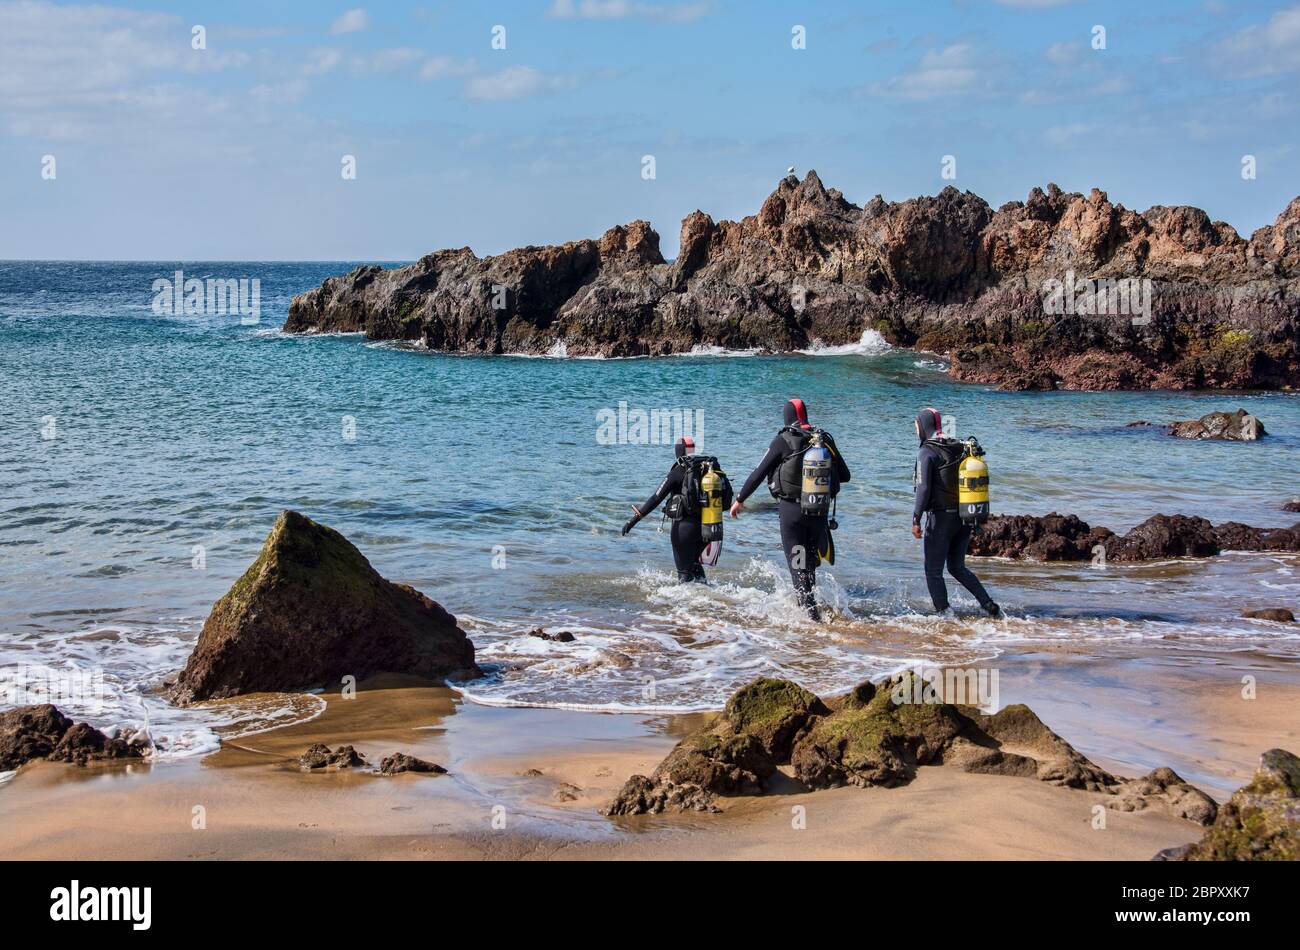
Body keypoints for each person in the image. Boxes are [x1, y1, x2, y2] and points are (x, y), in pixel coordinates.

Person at [729, 399, 849, 620]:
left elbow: (758, 473)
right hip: (819, 513)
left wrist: (739, 499)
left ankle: (811, 624)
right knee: (809, 567)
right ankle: (814, 612)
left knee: (798, 569)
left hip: (792, 514)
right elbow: (845, 476)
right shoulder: (822, 440)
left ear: (786, 416)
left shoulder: (783, 440)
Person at [912, 408, 1000, 617]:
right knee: (956, 567)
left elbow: (923, 488)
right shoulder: (959, 446)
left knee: (933, 571)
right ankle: (988, 604)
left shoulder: (927, 451)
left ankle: (945, 617)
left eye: (916, 426)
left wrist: (916, 518)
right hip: (964, 516)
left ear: (924, 426)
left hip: (940, 519)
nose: (916, 430)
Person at [622, 437, 708, 583]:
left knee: (684, 574)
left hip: (684, 529)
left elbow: (656, 498)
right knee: (694, 564)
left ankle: (687, 604)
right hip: (708, 528)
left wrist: (633, 520)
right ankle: (708, 599)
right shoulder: (707, 469)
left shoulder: (678, 471)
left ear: (679, 452)